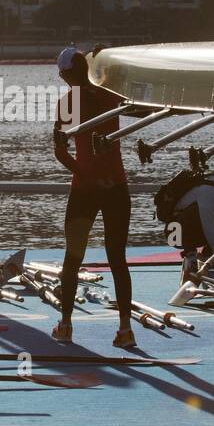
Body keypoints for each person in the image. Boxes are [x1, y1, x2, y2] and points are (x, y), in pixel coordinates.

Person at [52, 45, 135, 348]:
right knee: (117, 258)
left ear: (63, 75)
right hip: (116, 185)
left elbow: (60, 150)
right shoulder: (111, 95)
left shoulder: (66, 103)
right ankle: (125, 330)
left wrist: (85, 174)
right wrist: (105, 60)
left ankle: (65, 325)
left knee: (72, 258)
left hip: (84, 189)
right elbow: (125, 81)